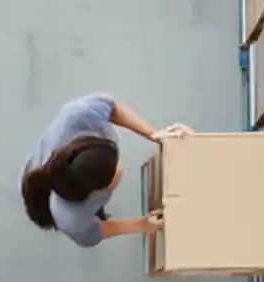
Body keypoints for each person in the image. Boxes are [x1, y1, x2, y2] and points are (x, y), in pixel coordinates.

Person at [21, 92, 192, 248]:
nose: (120, 169)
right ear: (96, 192)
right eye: (115, 172)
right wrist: (141, 225)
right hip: (46, 189)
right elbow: (97, 231)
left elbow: (113, 107)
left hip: (46, 165)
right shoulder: (72, 218)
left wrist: (155, 135)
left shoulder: (77, 115)